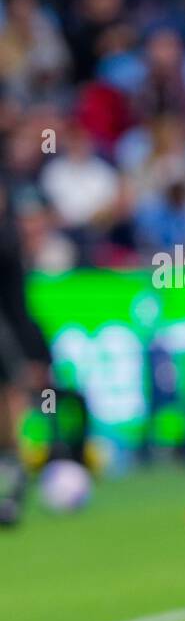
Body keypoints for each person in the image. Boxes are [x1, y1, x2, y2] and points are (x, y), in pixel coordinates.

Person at [0, 182, 52, 527]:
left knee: (9, 413)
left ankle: (13, 489)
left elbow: (18, 305)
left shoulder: (7, 242)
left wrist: (35, 353)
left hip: (4, 341)